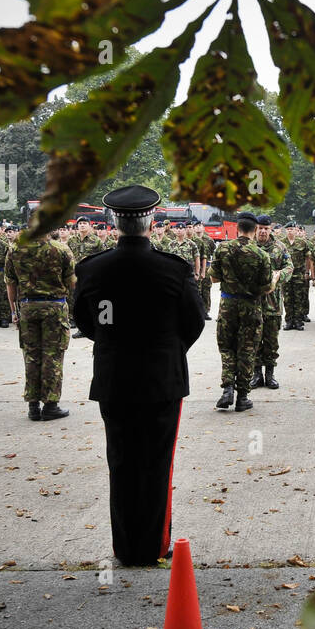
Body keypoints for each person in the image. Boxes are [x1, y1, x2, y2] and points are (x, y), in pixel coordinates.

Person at [73, 185, 206, 566]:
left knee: (122, 463)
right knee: (156, 465)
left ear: (114, 221)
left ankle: (126, 549)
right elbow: (193, 323)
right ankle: (152, 547)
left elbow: (85, 320)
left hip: (115, 378)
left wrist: (114, 343)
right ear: (152, 220)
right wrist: (167, 351)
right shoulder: (173, 268)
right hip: (161, 380)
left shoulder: (93, 268)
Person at [5, 225, 75, 421]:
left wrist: (13, 311)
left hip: (28, 307)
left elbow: (10, 283)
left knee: (31, 356)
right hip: (54, 307)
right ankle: (51, 404)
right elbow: (72, 281)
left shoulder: (15, 249)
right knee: (52, 356)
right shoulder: (61, 249)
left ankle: (33, 405)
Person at [210, 211, 278, 412]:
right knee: (247, 350)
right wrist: (274, 280)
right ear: (255, 230)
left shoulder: (222, 249)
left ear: (237, 228)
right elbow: (266, 288)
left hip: (228, 306)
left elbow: (213, 278)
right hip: (251, 307)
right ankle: (243, 396)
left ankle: (227, 388)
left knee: (227, 348)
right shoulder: (261, 255)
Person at [252, 215, 292, 390]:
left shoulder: (279, 247)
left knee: (271, 341)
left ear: (270, 229)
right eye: (260, 228)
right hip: (252, 302)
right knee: (253, 339)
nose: (262, 231)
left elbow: (289, 267)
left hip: (273, 303)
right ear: (255, 228)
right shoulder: (249, 246)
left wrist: (278, 276)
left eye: (266, 228)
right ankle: (256, 374)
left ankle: (270, 374)